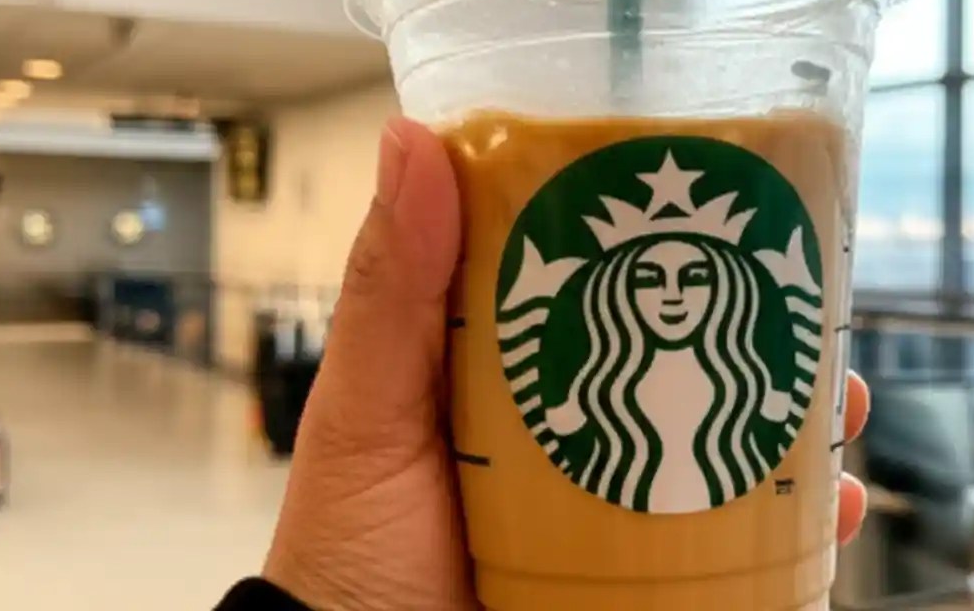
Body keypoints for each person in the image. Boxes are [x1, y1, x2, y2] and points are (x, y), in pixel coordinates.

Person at [215, 119, 873, 611]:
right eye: (648, 277)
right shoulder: (590, 402)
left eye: (696, 275)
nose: (673, 294)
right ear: (613, 292)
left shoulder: (745, 399)